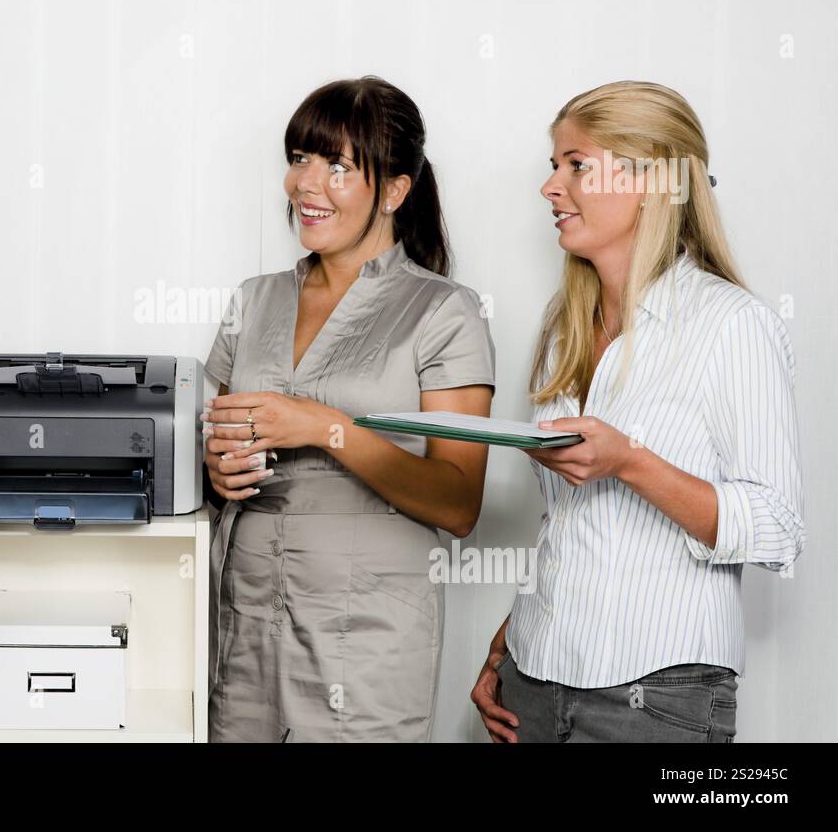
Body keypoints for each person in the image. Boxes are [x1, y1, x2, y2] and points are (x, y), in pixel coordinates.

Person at [470, 80, 805, 743]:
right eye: (552, 166)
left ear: (650, 180)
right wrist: (504, 649)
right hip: (533, 683)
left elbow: (778, 529)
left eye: (576, 165)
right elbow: (567, 521)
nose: (550, 188)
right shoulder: (562, 328)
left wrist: (629, 462)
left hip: (657, 706)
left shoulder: (732, 325)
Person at [202, 76, 496, 742]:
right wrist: (215, 474)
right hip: (248, 633)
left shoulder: (445, 313)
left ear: (394, 190)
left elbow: (458, 502)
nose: (307, 183)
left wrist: (325, 427)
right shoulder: (255, 301)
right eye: (301, 158)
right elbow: (212, 443)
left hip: (364, 652)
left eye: (337, 166)